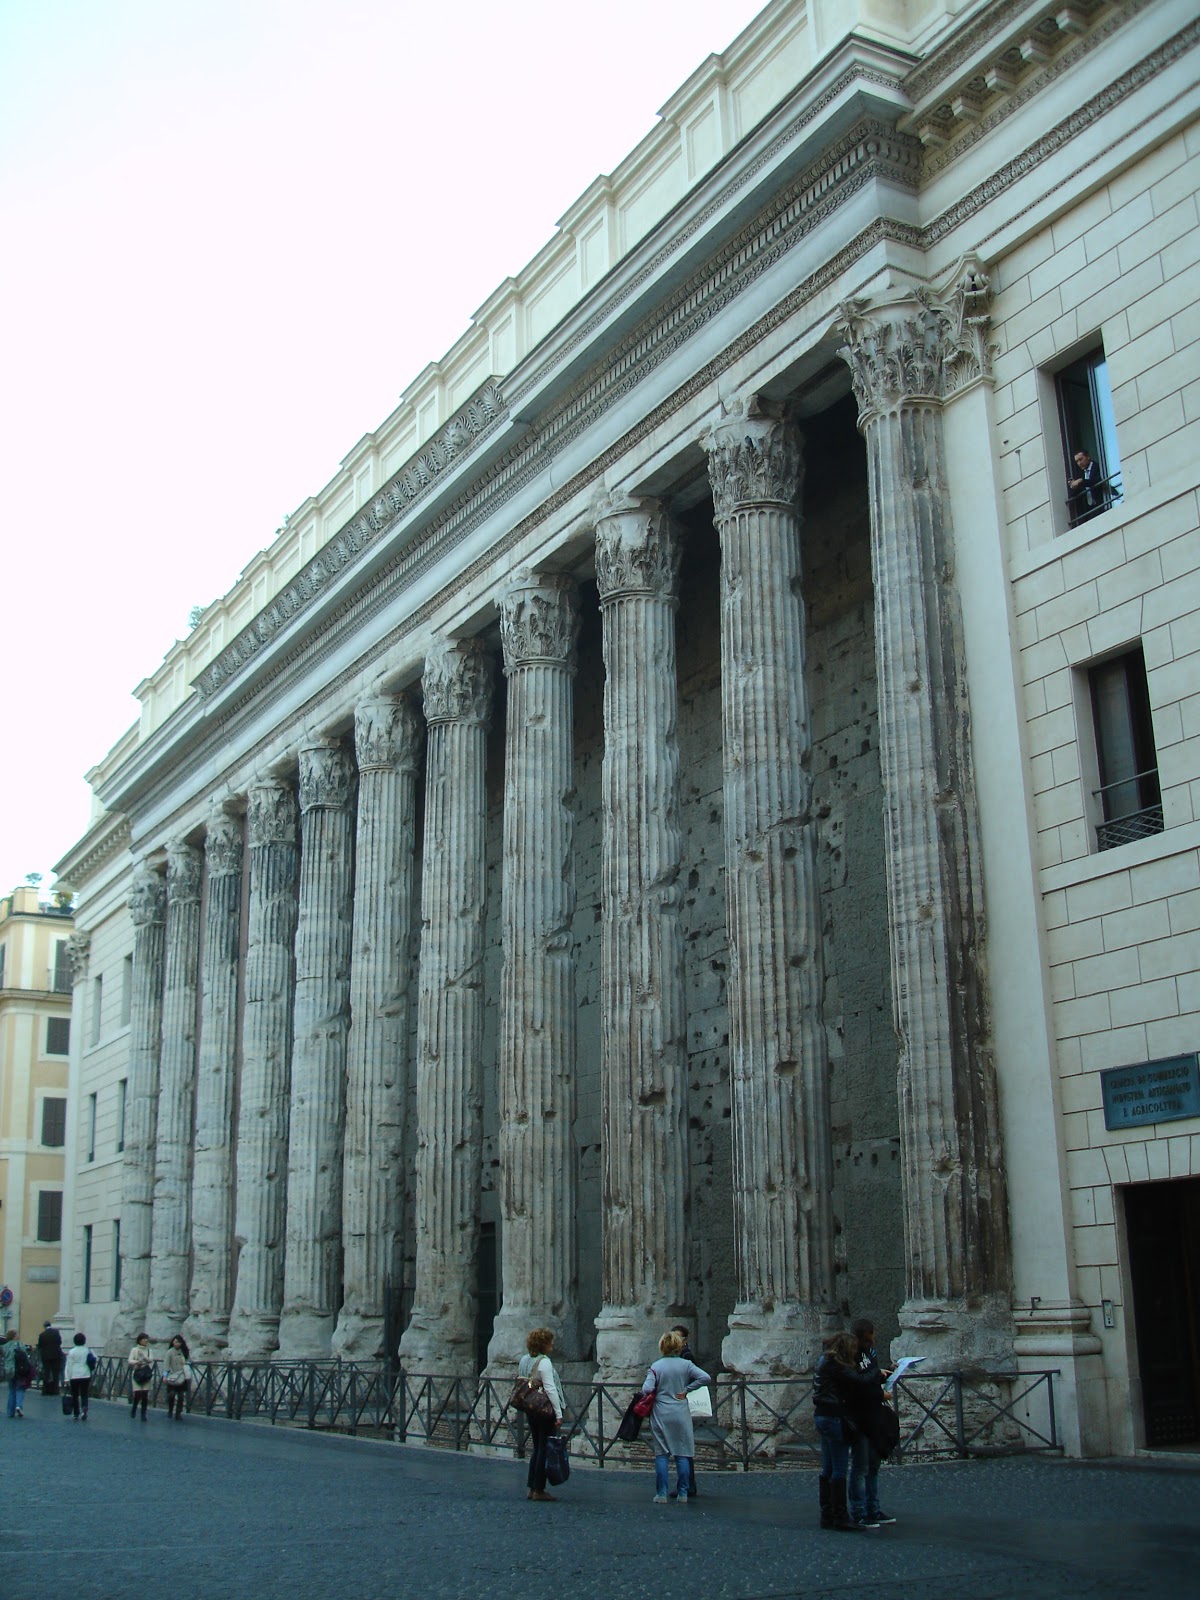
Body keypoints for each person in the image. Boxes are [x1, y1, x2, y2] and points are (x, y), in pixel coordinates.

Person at [812, 1330, 886, 1532]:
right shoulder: (835, 1365)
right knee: (839, 1469)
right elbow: (859, 1380)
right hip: (834, 1417)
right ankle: (840, 1516)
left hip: (821, 1415)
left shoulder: (823, 1360)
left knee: (827, 1468)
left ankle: (827, 1515)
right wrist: (877, 1372)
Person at [641, 1329, 711, 1504]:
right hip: (680, 1411)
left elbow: (646, 1389)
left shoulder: (656, 1366)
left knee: (662, 1454)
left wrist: (659, 1391)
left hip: (660, 1412)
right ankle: (683, 1493)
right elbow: (705, 1377)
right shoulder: (686, 1365)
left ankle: (662, 1493)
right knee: (683, 1453)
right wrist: (686, 1390)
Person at [846, 1318, 897, 1527]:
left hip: (874, 1417)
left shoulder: (869, 1354)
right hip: (860, 1418)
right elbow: (858, 1386)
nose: (872, 1342)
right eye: (869, 1339)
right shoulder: (851, 1357)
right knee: (860, 1468)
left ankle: (873, 1509)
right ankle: (858, 1513)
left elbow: (870, 1376)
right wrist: (880, 1394)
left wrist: (884, 1373)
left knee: (873, 1466)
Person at [518, 1328, 565, 1502]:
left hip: (531, 1408)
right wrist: (559, 1414)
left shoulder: (525, 1359)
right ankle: (539, 1489)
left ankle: (532, 1487)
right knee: (544, 1448)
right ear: (543, 1344)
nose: (552, 1344)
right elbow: (550, 1389)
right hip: (544, 1409)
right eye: (550, 1341)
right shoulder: (544, 1362)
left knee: (537, 1447)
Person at [1067, 448, 1106, 521]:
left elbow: (1095, 482)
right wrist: (1072, 486)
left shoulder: (1098, 467)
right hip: (1089, 510)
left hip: (1101, 505)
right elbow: (1073, 494)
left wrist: (1081, 481)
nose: (1079, 463)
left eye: (1080, 459)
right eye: (1077, 461)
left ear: (1088, 456)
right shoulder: (1080, 474)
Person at [64, 1331, 96, 1421]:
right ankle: (84, 1407)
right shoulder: (88, 1350)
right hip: (85, 1374)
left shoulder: (72, 1351)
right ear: (84, 1341)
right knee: (84, 1394)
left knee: (75, 1395)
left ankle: (76, 1413)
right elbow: (94, 1358)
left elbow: (69, 1365)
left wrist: (67, 1378)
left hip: (74, 1375)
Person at [3, 1331, 33, 1418]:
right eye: (17, 1334)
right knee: (20, 1388)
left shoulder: (5, 1346)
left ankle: (10, 1412)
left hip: (9, 1370)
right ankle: (19, 1406)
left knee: (11, 1391)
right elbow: (26, 1357)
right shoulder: (20, 1345)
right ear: (14, 1336)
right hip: (20, 1370)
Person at [163, 1334, 191, 1420]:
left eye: (178, 1342)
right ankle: (170, 1410)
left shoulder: (184, 1351)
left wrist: (187, 1363)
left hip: (182, 1376)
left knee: (181, 1395)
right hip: (172, 1375)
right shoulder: (170, 1352)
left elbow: (189, 1362)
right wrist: (165, 1375)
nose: (177, 1344)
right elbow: (166, 1364)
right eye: (175, 1342)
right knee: (172, 1394)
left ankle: (178, 1413)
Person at [128, 1332, 154, 1420]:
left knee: (145, 1394)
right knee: (138, 1394)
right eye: (143, 1339)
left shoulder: (149, 1350)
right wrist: (136, 1362)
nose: (145, 1341)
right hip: (137, 1373)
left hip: (146, 1374)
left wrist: (144, 1356)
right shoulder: (134, 1350)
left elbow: (151, 1360)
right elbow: (130, 1360)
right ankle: (134, 1409)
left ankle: (143, 1414)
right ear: (139, 1340)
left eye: (146, 1339)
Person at [37, 1321, 64, 1395]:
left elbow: (40, 1345)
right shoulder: (56, 1332)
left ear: (44, 1326)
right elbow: (60, 1342)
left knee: (46, 1372)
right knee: (56, 1373)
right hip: (56, 1355)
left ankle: (45, 1390)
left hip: (46, 1356)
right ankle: (56, 1390)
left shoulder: (42, 1335)